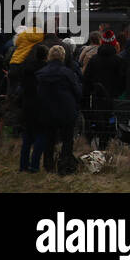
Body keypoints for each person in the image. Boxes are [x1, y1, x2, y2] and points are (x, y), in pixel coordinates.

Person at [35, 44, 82, 175]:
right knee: (67, 139)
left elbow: (36, 93)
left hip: (47, 111)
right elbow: (78, 92)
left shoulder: (40, 74)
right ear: (63, 56)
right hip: (66, 110)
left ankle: (48, 165)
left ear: (49, 56)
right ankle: (64, 164)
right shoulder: (68, 73)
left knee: (49, 139)